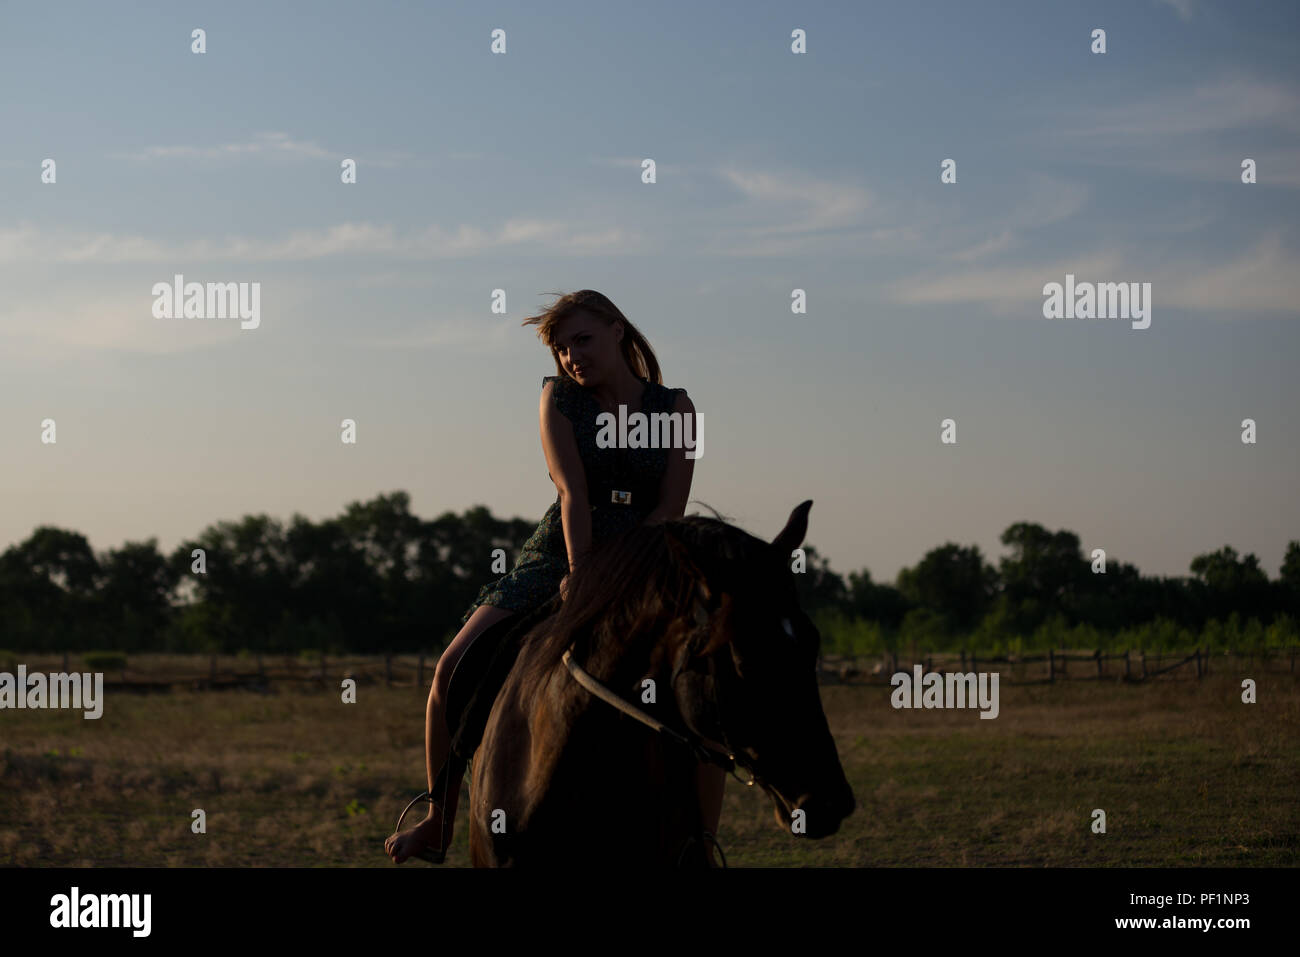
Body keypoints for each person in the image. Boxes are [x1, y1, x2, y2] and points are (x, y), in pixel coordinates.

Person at [383, 289, 723, 865]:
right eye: (561, 348)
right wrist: (581, 570)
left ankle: (702, 844)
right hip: (563, 551)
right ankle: (441, 819)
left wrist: (622, 571)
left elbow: (671, 507)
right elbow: (573, 492)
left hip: (646, 553)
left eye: (582, 340)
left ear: (617, 331)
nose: (571, 357)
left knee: (708, 684)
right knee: (452, 666)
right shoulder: (558, 399)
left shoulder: (677, 409)